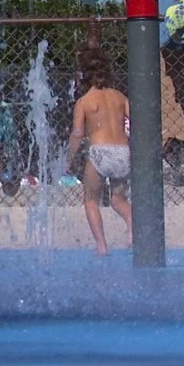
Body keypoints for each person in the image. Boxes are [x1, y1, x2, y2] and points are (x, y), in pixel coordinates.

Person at [67, 44, 133, 256]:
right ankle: (134, 229)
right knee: (118, 200)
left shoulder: (84, 102)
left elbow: (77, 133)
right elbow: (134, 123)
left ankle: (102, 247)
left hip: (100, 153)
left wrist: (69, 158)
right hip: (123, 152)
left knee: (91, 200)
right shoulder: (121, 97)